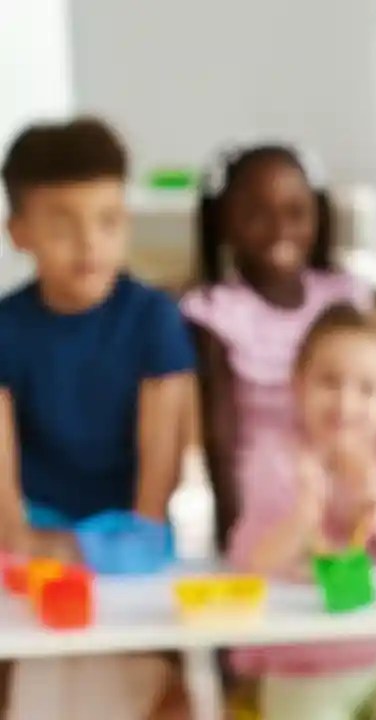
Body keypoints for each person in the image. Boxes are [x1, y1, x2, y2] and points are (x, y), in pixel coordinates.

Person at [0, 118, 193, 719]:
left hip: (125, 533)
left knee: (147, 669)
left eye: (108, 220)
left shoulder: (153, 318)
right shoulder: (7, 326)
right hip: (35, 527)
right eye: (62, 223)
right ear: (19, 232)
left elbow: (158, 478)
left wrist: (114, 540)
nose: (89, 243)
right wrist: (21, 538)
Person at [228, 304, 376, 720]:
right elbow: (252, 562)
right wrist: (303, 515)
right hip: (304, 660)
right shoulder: (277, 454)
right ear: (297, 384)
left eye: (367, 388)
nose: (346, 402)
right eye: (329, 382)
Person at [182, 144, 371, 547]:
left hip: (341, 488)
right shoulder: (215, 312)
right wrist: (231, 537)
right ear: (223, 222)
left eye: (296, 212)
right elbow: (220, 437)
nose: (279, 229)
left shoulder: (344, 295)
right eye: (255, 214)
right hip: (263, 497)